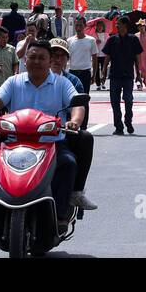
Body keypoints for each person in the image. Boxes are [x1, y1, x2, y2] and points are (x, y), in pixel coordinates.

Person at [0, 42, 83, 224]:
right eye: (32, 57)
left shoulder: (62, 83)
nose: (36, 61)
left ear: (50, 61)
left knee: (69, 163)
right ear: (24, 61)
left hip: (52, 143)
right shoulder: (13, 81)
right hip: (14, 142)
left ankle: (60, 215)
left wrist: (75, 121)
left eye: (42, 58)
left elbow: (77, 104)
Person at [46, 39, 97, 210]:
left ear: (67, 60)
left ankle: (76, 191)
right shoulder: (28, 78)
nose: (56, 59)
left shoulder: (72, 82)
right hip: (31, 133)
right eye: (52, 55)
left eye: (61, 56)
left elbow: (78, 107)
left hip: (60, 133)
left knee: (84, 139)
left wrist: (73, 122)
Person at [102, 16, 143, 135]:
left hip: (128, 76)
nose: (117, 26)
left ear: (125, 25)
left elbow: (137, 58)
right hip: (114, 76)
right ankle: (118, 127)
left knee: (128, 100)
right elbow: (107, 58)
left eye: (119, 24)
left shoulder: (133, 39)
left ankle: (128, 121)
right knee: (115, 102)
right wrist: (104, 73)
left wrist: (138, 74)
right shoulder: (112, 40)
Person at [65, 21, 96, 130]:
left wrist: (94, 74)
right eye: (76, 25)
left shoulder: (91, 40)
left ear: (85, 26)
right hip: (73, 72)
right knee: (71, 99)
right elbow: (66, 57)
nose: (78, 28)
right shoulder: (70, 41)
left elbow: (95, 58)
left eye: (80, 26)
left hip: (85, 73)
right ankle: (72, 122)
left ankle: (84, 126)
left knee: (84, 99)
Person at [91, 18, 109, 90]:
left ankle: (103, 82)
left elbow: (108, 44)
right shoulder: (93, 35)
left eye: (101, 26)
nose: (100, 27)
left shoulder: (106, 35)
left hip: (104, 54)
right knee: (96, 70)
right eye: (98, 26)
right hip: (96, 54)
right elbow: (91, 44)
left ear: (103, 27)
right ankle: (98, 84)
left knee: (104, 69)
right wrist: (96, 42)